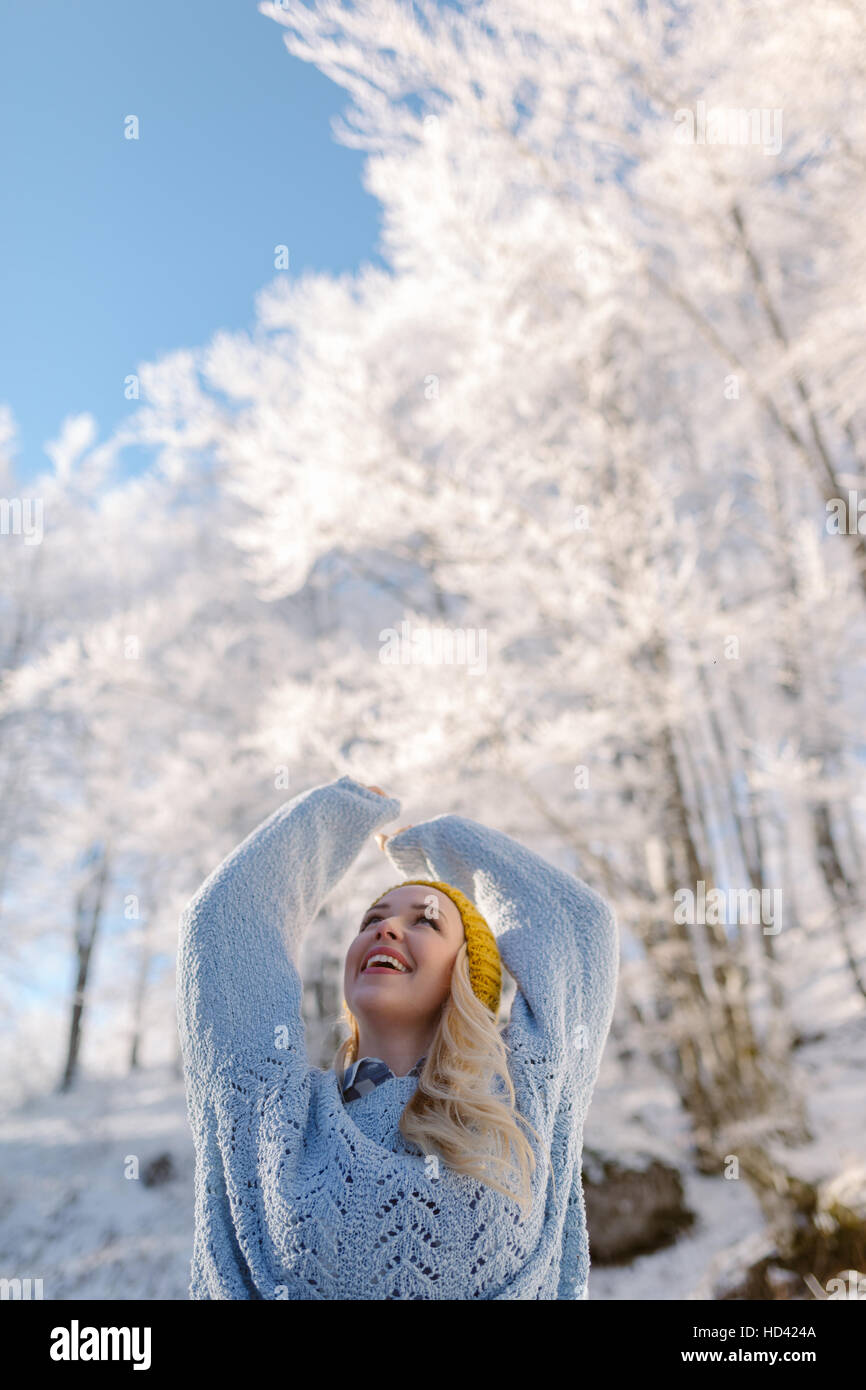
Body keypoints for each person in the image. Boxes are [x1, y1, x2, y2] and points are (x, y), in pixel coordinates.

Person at [177, 774, 618, 1299]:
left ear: (467, 978)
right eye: (372, 920)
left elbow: (580, 927)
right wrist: (341, 808)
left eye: (426, 923)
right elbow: (223, 924)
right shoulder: (277, 1109)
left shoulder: (521, 1100)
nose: (385, 930)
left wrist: (435, 843)